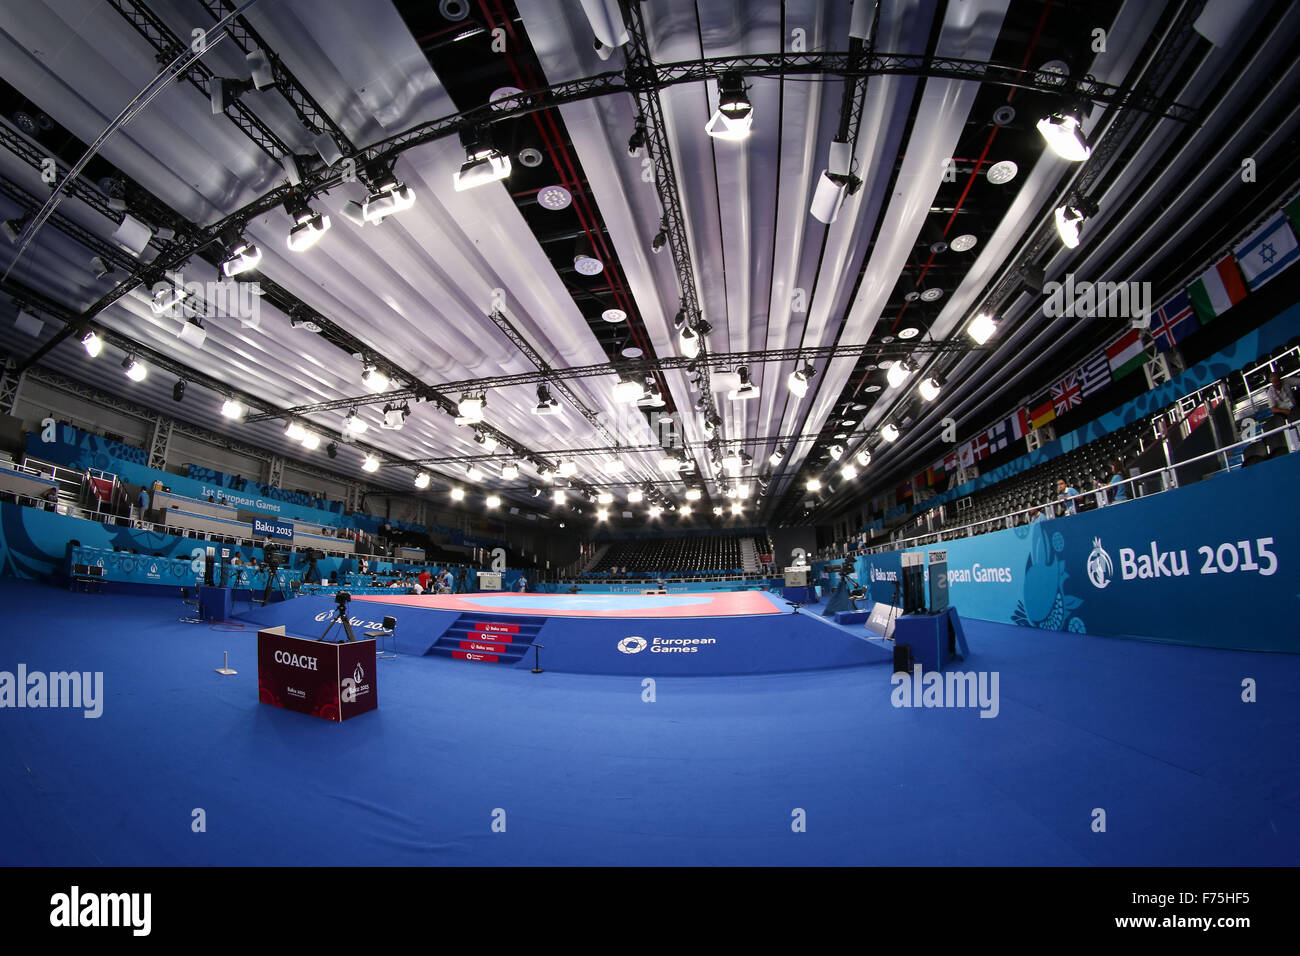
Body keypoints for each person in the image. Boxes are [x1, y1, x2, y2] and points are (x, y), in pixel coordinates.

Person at [1266, 370, 1296, 456]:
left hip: (1294, 407)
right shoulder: (1270, 392)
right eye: (1274, 383)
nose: (1277, 384)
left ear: (1280, 379)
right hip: (1283, 413)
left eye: (1278, 381)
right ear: (1272, 383)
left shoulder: (1286, 381)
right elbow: (1273, 409)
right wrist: (1284, 411)